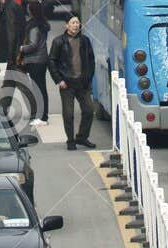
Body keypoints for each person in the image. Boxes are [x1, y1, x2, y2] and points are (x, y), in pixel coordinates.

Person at [48, 13, 94, 149]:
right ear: (66, 25)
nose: (75, 25)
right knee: (68, 114)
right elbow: (51, 61)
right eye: (73, 23)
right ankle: (70, 140)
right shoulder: (58, 42)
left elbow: (91, 60)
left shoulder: (85, 41)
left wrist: (89, 77)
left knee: (89, 110)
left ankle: (82, 137)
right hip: (66, 84)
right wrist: (59, 80)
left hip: (82, 84)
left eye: (77, 23)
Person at [17, 1, 50, 126]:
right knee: (42, 88)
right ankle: (43, 116)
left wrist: (21, 48)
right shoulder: (43, 23)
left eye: (29, 8)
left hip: (35, 61)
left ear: (31, 11)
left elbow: (33, 45)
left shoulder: (34, 26)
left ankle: (42, 117)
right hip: (41, 60)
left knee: (38, 89)